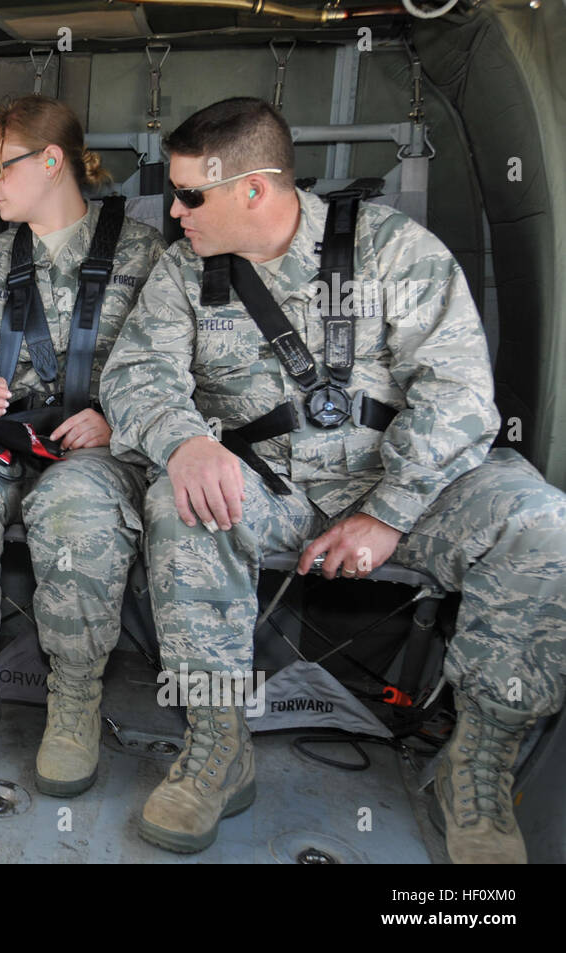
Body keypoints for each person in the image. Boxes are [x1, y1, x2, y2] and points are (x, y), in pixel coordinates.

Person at [99, 97, 566, 863]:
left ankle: (477, 764)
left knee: (542, 525)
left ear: (253, 188)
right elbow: (136, 375)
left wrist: (389, 512)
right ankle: (219, 743)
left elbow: (458, 392)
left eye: (190, 194)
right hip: (271, 484)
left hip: (403, 483)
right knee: (180, 503)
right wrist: (185, 442)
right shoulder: (186, 272)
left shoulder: (393, 249)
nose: (174, 211)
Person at [0, 95, 165, 797]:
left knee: (76, 504)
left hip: (96, 450)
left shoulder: (146, 256)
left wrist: (117, 421)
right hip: (5, 440)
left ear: (52, 162)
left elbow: (176, 370)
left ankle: (74, 700)